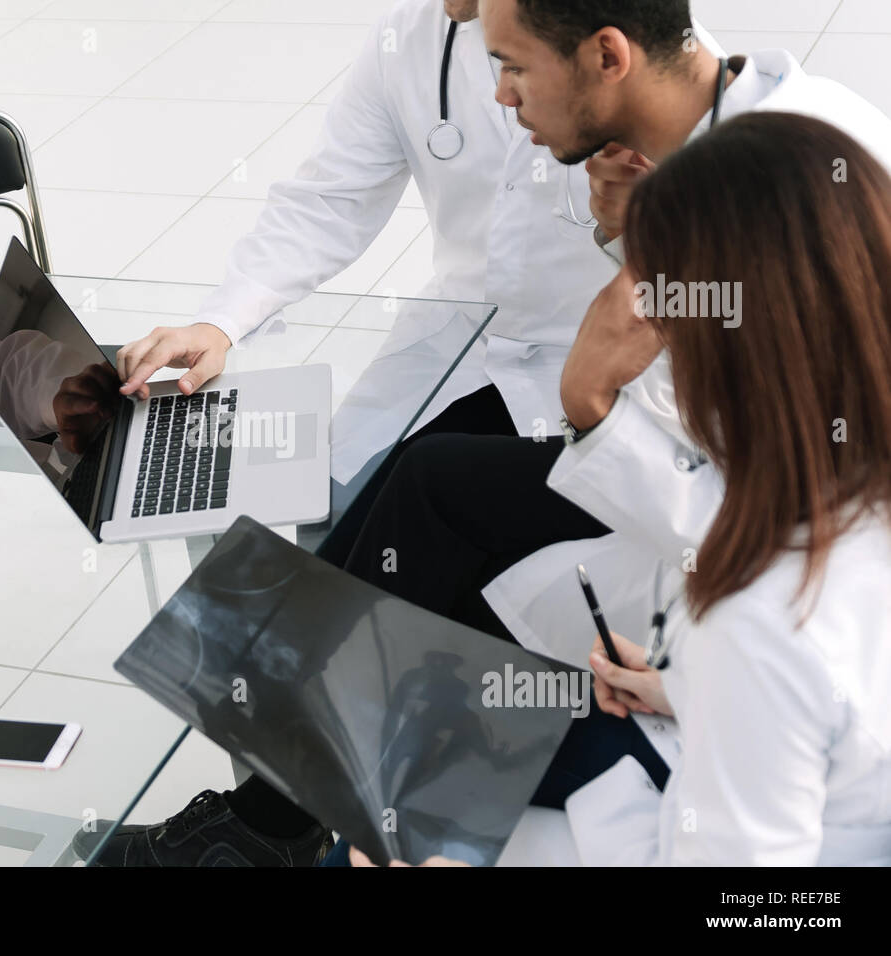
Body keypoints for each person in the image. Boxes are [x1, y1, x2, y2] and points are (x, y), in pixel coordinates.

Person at [78, 0, 655, 867]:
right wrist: (224, 321)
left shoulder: (626, 70)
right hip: (462, 349)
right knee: (331, 520)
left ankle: (272, 831)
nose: (502, 94)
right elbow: (328, 197)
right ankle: (289, 817)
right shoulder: (410, 42)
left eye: (515, 73)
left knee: (414, 536)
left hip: (605, 381)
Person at [353, 111, 891, 865]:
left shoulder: (759, 617)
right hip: (746, 757)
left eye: (664, 314)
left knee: (393, 790)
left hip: (692, 811)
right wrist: (693, 695)